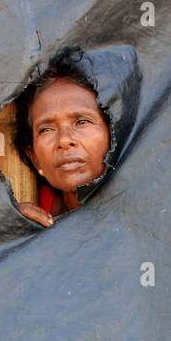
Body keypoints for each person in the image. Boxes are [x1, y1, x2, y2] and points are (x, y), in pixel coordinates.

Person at [13, 50, 111, 228]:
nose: (64, 140)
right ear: (35, 159)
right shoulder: (27, 222)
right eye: (46, 129)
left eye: (82, 122)